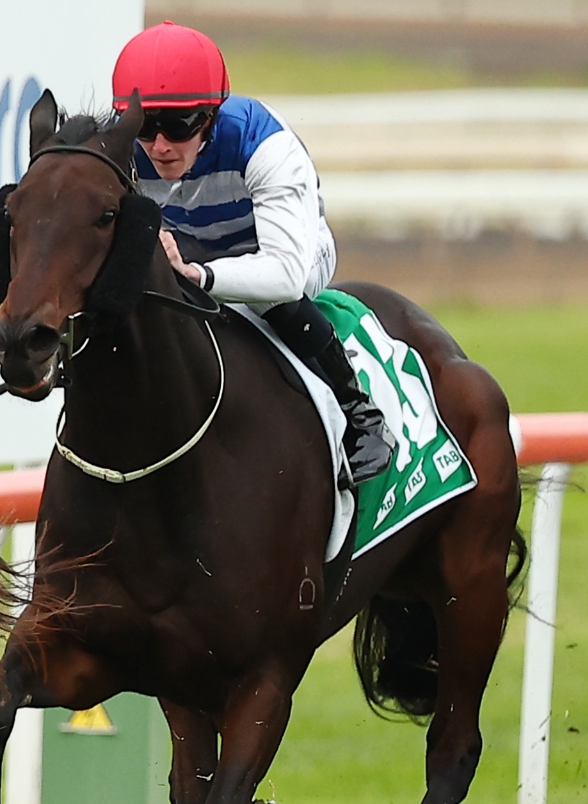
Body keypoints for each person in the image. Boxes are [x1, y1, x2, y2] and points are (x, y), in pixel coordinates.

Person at [112, 22, 394, 484]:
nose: (160, 146)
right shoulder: (126, 152)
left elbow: (284, 273)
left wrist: (199, 275)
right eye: (145, 125)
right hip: (192, 248)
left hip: (290, 252)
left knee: (269, 296)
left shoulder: (264, 144)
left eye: (178, 125)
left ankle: (359, 413)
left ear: (210, 116)